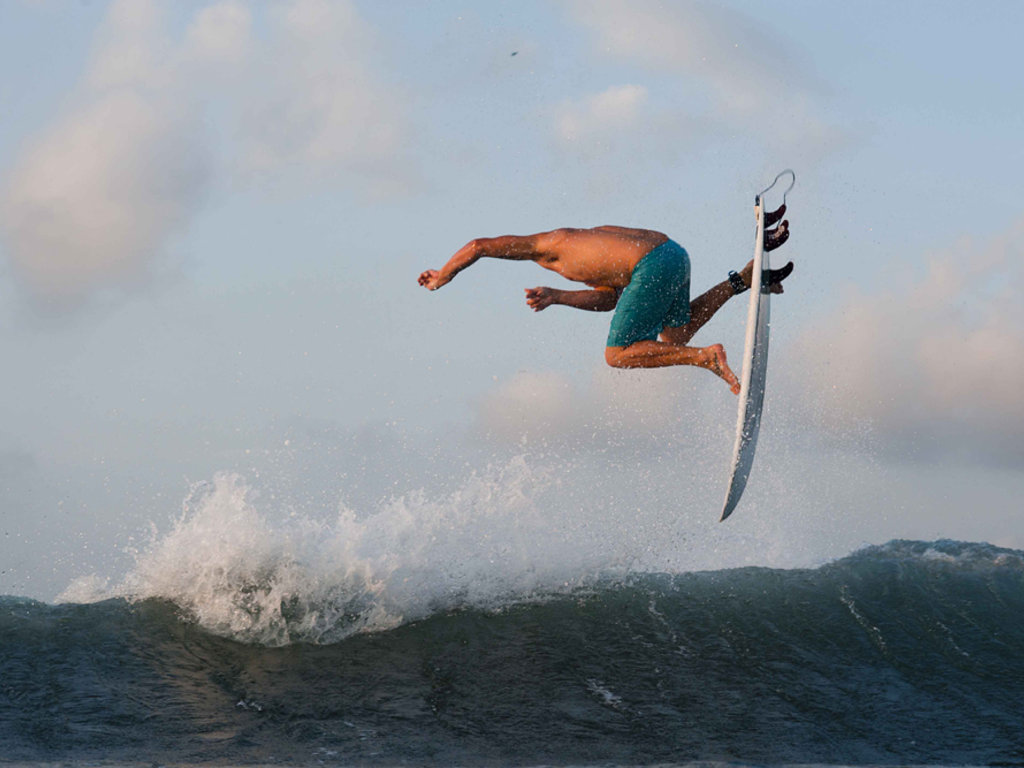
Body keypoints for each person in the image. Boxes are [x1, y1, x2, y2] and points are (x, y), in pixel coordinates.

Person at [418, 207, 793, 394]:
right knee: (674, 338)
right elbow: (609, 301)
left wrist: (442, 276)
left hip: (647, 267)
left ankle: (705, 357)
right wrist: (558, 297)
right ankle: (741, 279)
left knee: (617, 355)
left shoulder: (547, 244)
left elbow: (481, 246)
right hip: (673, 254)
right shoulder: (586, 242)